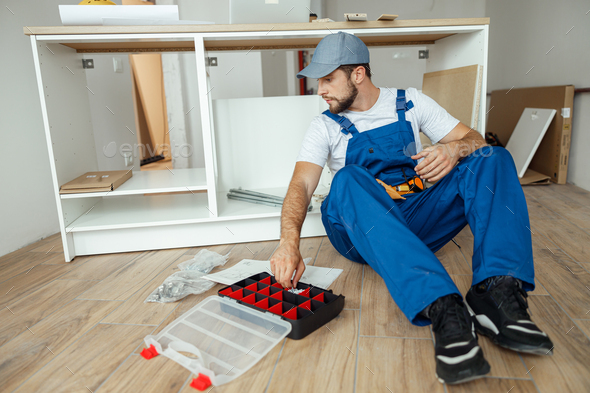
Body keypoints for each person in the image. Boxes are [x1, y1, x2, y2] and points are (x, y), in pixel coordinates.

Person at [269, 32, 553, 385]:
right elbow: (301, 185)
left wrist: (453, 150)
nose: (320, 90)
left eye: (328, 79)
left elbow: (475, 139)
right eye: (319, 81)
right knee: (347, 180)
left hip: (414, 214)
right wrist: (288, 242)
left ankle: (497, 291)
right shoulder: (323, 126)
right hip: (362, 231)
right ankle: (443, 307)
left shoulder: (411, 102)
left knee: (492, 158)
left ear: (358, 74)